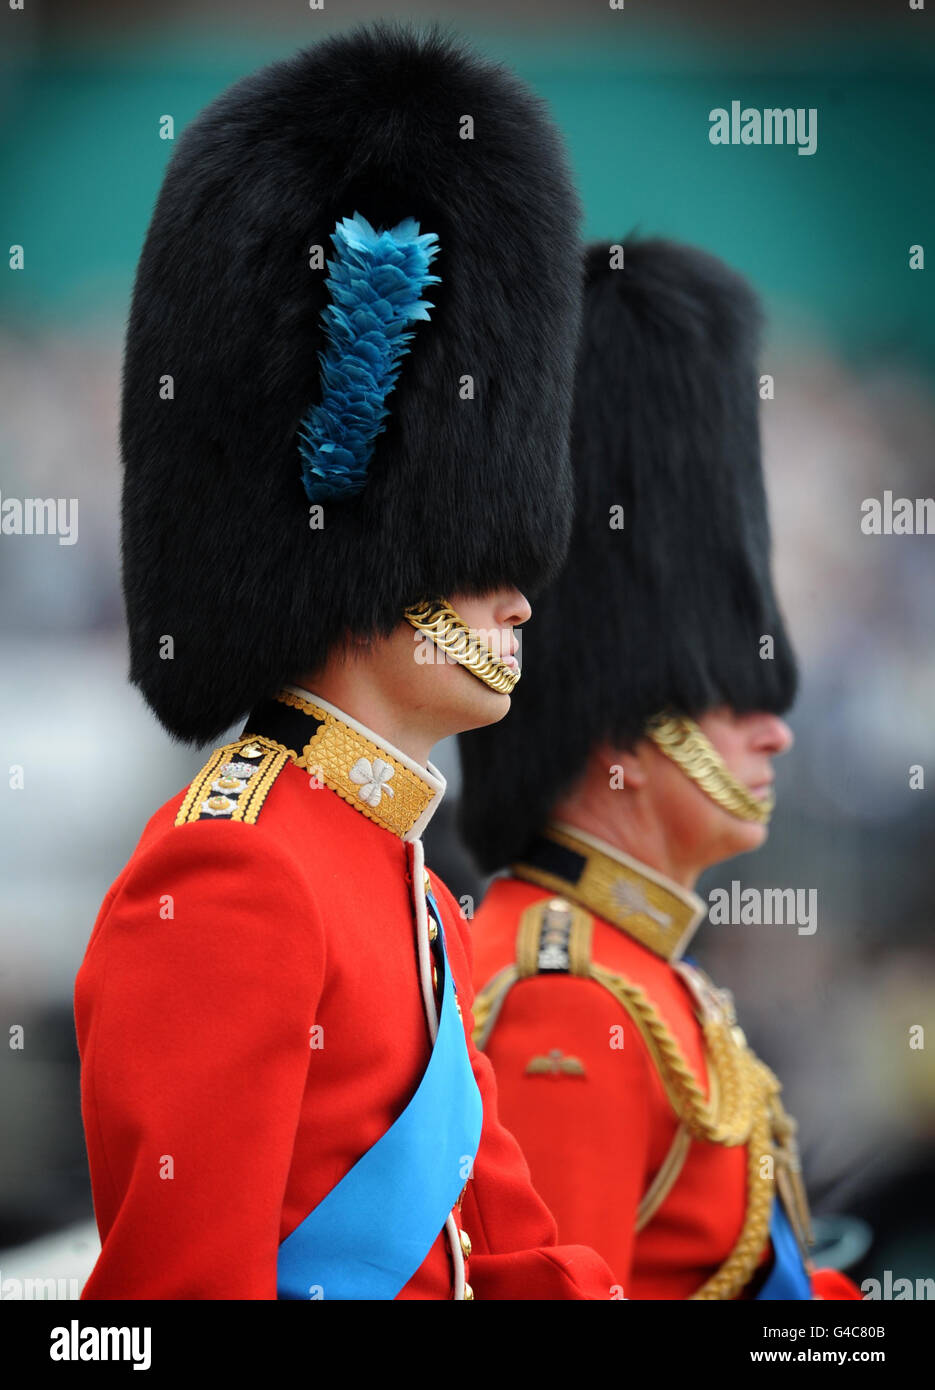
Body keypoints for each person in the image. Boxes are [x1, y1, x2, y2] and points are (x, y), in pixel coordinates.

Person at [73, 26, 616, 1301]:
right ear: (369, 549)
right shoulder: (233, 867)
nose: (519, 596)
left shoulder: (410, 885)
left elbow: (516, 1258)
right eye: (478, 548)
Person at [458, 239, 860, 1300]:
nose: (773, 732)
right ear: (618, 733)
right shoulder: (564, 995)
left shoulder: (633, 967)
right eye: (725, 701)